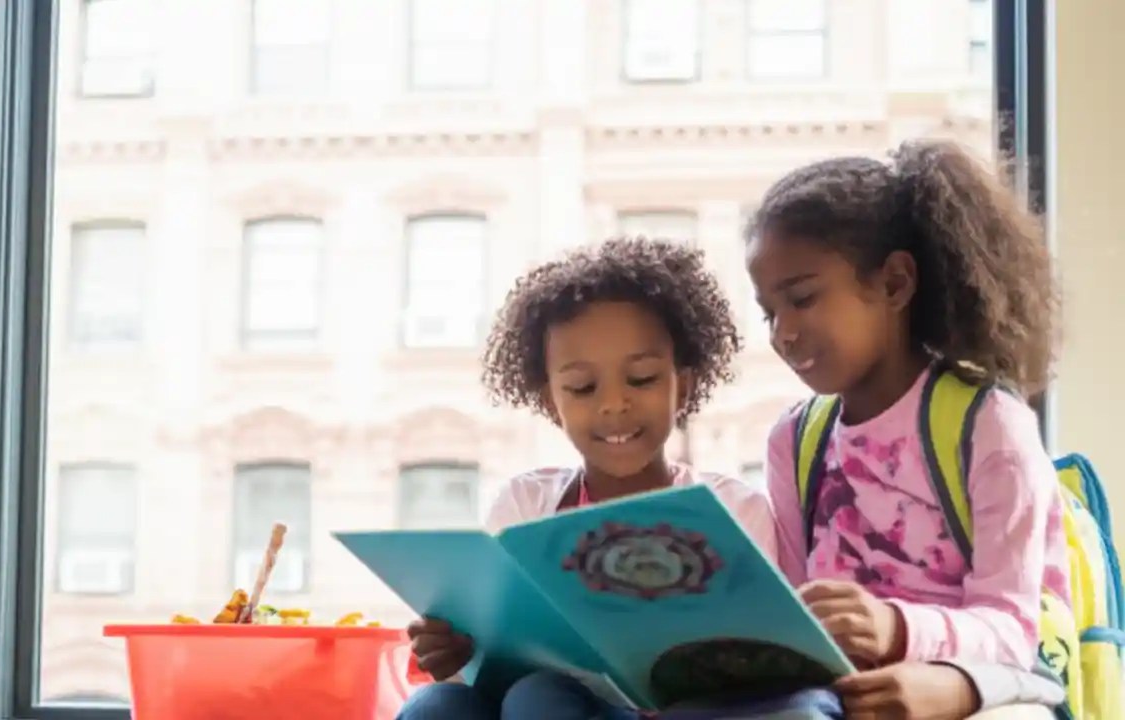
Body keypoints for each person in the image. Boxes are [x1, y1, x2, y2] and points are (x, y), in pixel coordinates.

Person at [398, 237, 814, 719]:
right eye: (582, 387)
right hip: (535, 701)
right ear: (552, 401)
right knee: (439, 704)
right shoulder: (525, 505)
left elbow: (764, 665)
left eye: (641, 379)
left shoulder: (735, 509)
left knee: (539, 700)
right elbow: (487, 666)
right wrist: (454, 652)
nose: (614, 404)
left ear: (686, 385)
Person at [746, 139, 1071, 719]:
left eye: (802, 298)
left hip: (981, 690)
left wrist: (895, 631)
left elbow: (1014, 628)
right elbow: (796, 619)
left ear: (895, 283)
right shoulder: (794, 443)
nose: (783, 333)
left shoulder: (990, 427)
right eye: (770, 311)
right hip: (837, 699)